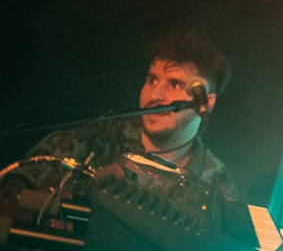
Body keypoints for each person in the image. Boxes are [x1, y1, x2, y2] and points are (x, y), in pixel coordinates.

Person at [0, 28, 239, 218]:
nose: (156, 94)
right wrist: (79, 195)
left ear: (206, 101)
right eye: (152, 80)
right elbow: (8, 195)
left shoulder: (217, 182)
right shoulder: (92, 137)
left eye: (175, 84)